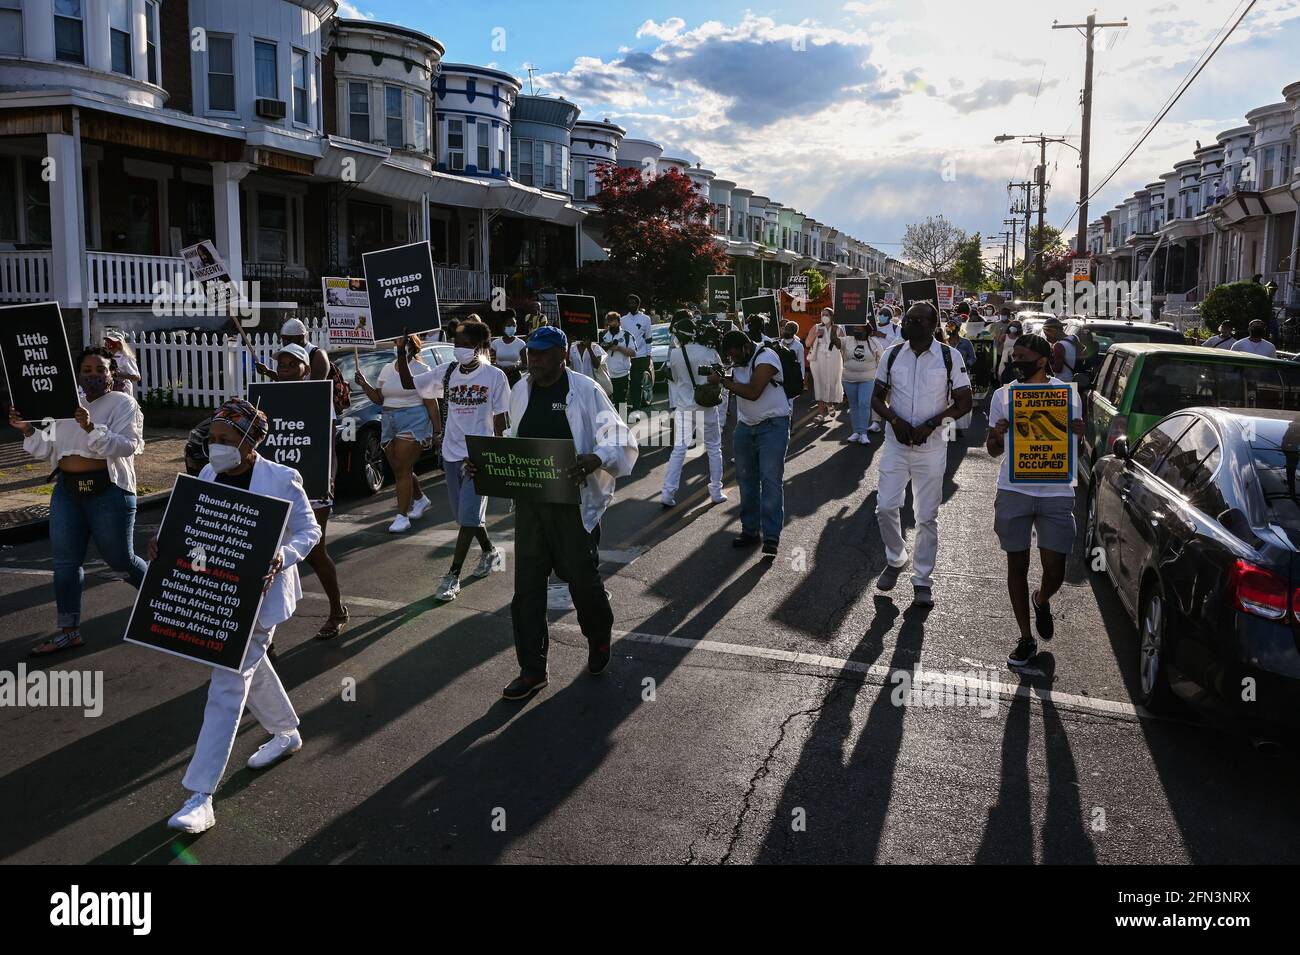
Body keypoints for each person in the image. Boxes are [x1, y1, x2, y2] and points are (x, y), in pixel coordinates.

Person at [160, 398, 320, 833]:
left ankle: (200, 795)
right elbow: (199, 525)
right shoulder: (209, 474)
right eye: (213, 438)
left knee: (228, 683)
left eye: (226, 440)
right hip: (222, 594)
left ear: (251, 442)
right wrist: (166, 543)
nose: (216, 447)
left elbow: (310, 530)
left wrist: (282, 556)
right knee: (249, 667)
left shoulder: (283, 479)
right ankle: (286, 732)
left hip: (261, 599)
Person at [480, 326, 638, 701]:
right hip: (532, 506)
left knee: (582, 581)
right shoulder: (521, 391)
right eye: (531, 353)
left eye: (542, 353)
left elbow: (620, 438)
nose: (533, 359)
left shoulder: (585, 390)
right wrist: (486, 462)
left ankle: (598, 636)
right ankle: (532, 670)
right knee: (527, 590)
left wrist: (596, 458)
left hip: (573, 506)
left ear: (561, 355)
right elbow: (513, 442)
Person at [9, 348, 147, 655]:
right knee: (66, 565)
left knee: (121, 560)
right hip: (68, 494)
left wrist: (90, 427)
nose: (93, 375)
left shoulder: (124, 403)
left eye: (101, 369)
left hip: (109, 492)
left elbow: (128, 446)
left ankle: (164, 602)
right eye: (87, 370)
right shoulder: (65, 404)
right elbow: (48, 449)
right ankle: (68, 631)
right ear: (78, 374)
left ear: (113, 374)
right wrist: (28, 429)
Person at [985, 334, 1086, 669]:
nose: (1016, 362)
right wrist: (998, 435)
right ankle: (1026, 638)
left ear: (1042, 361)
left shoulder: (1067, 396)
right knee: (1017, 565)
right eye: (1013, 356)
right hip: (1014, 489)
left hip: (1056, 490)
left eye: (1022, 356)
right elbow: (992, 450)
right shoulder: (1003, 396)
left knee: (1055, 569)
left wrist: (1079, 433)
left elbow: (1077, 448)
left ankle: (1042, 599)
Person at [870, 303, 973, 607]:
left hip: (931, 447)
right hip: (896, 444)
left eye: (916, 320)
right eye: (908, 319)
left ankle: (922, 579)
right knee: (885, 507)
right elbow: (877, 397)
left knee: (926, 516)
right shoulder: (892, 353)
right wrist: (894, 421)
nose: (908, 324)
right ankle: (896, 557)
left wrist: (931, 424)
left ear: (932, 325)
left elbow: (964, 401)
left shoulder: (948, 356)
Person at [415, 318, 509, 602]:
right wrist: (403, 350)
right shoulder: (447, 372)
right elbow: (414, 385)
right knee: (466, 518)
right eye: (456, 344)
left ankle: (452, 576)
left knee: (468, 517)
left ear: (479, 346)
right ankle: (491, 553)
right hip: (451, 454)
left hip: (478, 457)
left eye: (465, 345)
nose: (459, 349)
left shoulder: (494, 377)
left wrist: (496, 456)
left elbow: (501, 418)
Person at [270, 343, 350, 640]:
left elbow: (324, 445)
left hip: (313, 487)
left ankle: (337, 610)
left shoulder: (319, 398)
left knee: (315, 552)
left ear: (306, 370)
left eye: (293, 364)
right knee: (267, 554)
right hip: (278, 487)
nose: (286, 369)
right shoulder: (269, 398)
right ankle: (265, 632)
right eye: (282, 365)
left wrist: (325, 484)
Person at [709, 329, 790, 557]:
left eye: (735, 355)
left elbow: (753, 392)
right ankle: (750, 531)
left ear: (745, 348)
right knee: (746, 480)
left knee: (770, 480)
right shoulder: (737, 362)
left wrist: (724, 381)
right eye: (729, 357)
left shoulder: (766, 357)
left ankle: (772, 537)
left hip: (773, 425)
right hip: (746, 426)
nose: (733, 360)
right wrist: (722, 377)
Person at [352, 334, 438, 532]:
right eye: (396, 342)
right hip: (389, 420)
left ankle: (402, 516)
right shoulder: (387, 369)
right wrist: (364, 383)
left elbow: (431, 403)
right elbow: (379, 399)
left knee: (402, 470)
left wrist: (437, 431)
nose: (398, 345)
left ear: (411, 346)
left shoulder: (421, 369)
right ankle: (420, 498)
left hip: (414, 419)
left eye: (403, 342)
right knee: (401, 468)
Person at [661, 313, 726, 507]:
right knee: (714, 448)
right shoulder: (708, 351)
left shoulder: (674, 354)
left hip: (684, 408)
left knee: (679, 450)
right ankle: (716, 491)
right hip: (706, 406)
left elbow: (673, 378)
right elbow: (720, 373)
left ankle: (667, 493)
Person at [841, 320, 885, 443]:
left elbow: (881, 361)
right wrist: (834, 322)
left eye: (859, 329)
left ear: (866, 331)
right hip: (848, 379)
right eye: (855, 329)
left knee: (864, 404)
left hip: (868, 379)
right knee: (853, 406)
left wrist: (881, 379)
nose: (856, 331)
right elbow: (835, 341)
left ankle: (864, 434)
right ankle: (856, 432)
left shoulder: (874, 343)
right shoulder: (847, 340)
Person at [805, 307, 844, 424]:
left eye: (827, 314)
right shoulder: (816, 327)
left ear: (832, 316)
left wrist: (834, 337)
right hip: (818, 361)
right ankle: (821, 414)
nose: (824, 316)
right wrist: (816, 334)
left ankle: (830, 404)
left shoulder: (838, 329)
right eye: (823, 314)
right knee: (819, 384)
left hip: (834, 360)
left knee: (831, 383)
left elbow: (843, 345)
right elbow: (807, 343)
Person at [621, 294, 653, 413]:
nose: (631, 305)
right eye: (629, 303)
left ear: (638, 305)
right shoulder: (622, 320)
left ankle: (636, 407)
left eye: (634, 303)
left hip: (640, 355)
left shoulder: (646, 319)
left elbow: (649, 338)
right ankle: (622, 408)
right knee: (624, 383)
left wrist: (648, 355)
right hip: (625, 355)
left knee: (636, 382)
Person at [600, 311, 637, 412]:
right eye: (609, 321)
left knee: (621, 402)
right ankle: (610, 425)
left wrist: (619, 348)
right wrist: (605, 346)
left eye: (613, 320)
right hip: (606, 374)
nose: (611, 323)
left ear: (619, 321)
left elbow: (633, 353)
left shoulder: (627, 335)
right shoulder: (603, 335)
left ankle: (622, 424)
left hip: (622, 374)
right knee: (607, 403)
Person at [490, 310, 528, 385]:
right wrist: (500, 367)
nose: (511, 328)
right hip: (499, 377)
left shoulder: (521, 343)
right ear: (503, 326)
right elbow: (490, 362)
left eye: (514, 325)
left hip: (515, 378)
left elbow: (525, 365)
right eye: (509, 325)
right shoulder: (495, 343)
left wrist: (514, 367)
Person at [779, 320, 806, 418]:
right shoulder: (780, 343)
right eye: (786, 329)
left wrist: (801, 378)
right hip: (781, 376)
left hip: (792, 377)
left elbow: (801, 362)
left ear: (794, 332)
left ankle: (789, 425)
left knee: (790, 403)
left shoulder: (798, 345)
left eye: (789, 330)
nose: (786, 331)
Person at [103, 329, 140, 395]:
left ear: (119, 343)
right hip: (109, 388)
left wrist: (118, 374)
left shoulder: (126, 357)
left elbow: (136, 377)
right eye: (107, 341)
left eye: (111, 341)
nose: (108, 343)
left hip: (122, 388)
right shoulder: (105, 356)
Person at [1042, 317, 1078, 383]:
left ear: (1053, 331)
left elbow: (1057, 369)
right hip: (1076, 379)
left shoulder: (1059, 346)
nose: (1047, 338)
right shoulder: (1074, 338)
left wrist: (1046, 363)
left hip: (1063, 381)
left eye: (1047, 335)